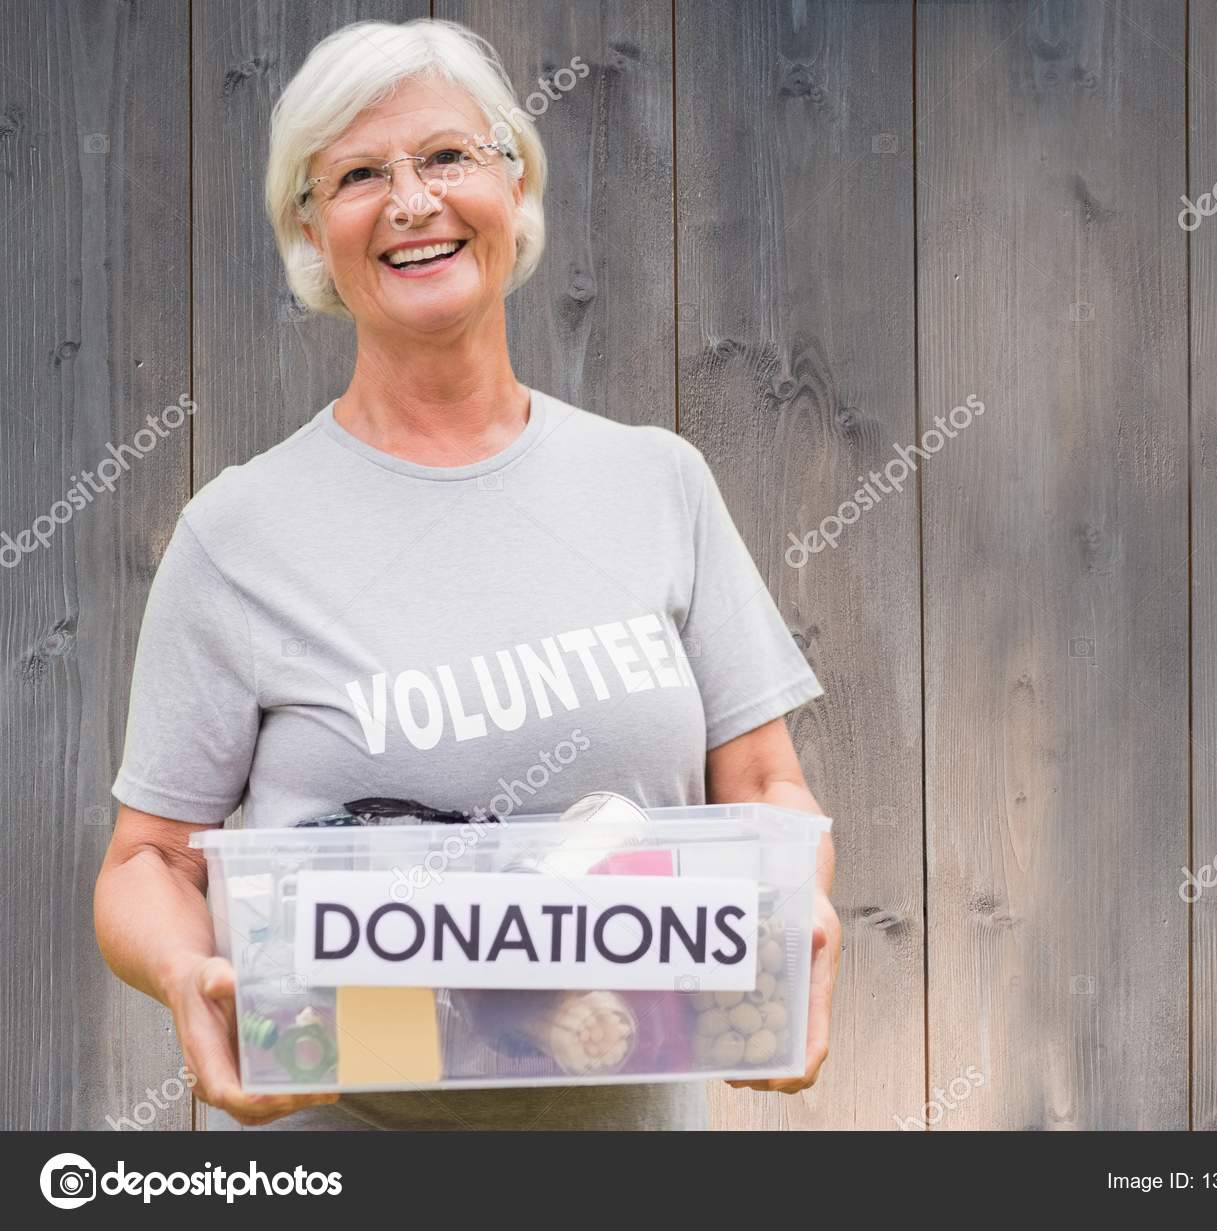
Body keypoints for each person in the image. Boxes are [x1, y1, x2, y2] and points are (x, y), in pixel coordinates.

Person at [92, 18, 839, 1130]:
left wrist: (801, 915)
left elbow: (768, 788)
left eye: (447, 155)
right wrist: (190, 973)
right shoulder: (236, 534)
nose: (409, 201)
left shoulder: (656, 482)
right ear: (311, 230)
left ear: (513, 181)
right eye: (356, 175)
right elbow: (146, 862)